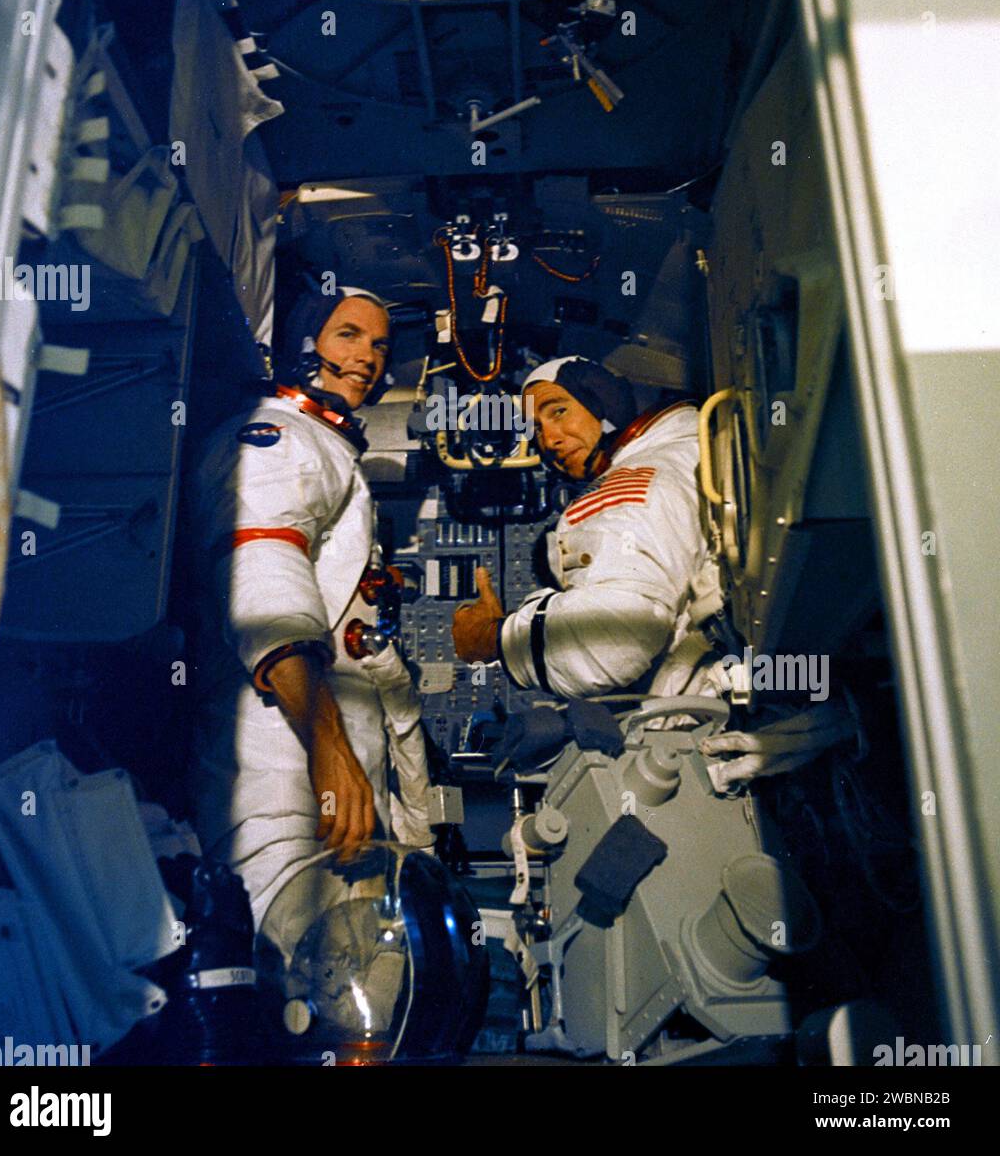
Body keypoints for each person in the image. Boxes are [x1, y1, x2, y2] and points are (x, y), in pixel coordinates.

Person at [452, 355, 853, 788]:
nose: (548, 439)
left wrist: (497, 638)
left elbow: (616, 637)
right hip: (771, 692)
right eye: (536, 429)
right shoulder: (687, 444)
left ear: (602, 399)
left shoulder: (633, 483)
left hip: (715, 728)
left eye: (559, 411)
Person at [188, 286, 433, 961]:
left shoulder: (319, 446)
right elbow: (265, 590)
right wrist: (328, 750)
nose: (369, 359)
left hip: (321, 771)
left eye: (380, 346)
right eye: (348, 335)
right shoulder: (277, 440)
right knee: (285, 980)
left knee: (343, 987)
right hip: (280, 771)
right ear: (302, 347)